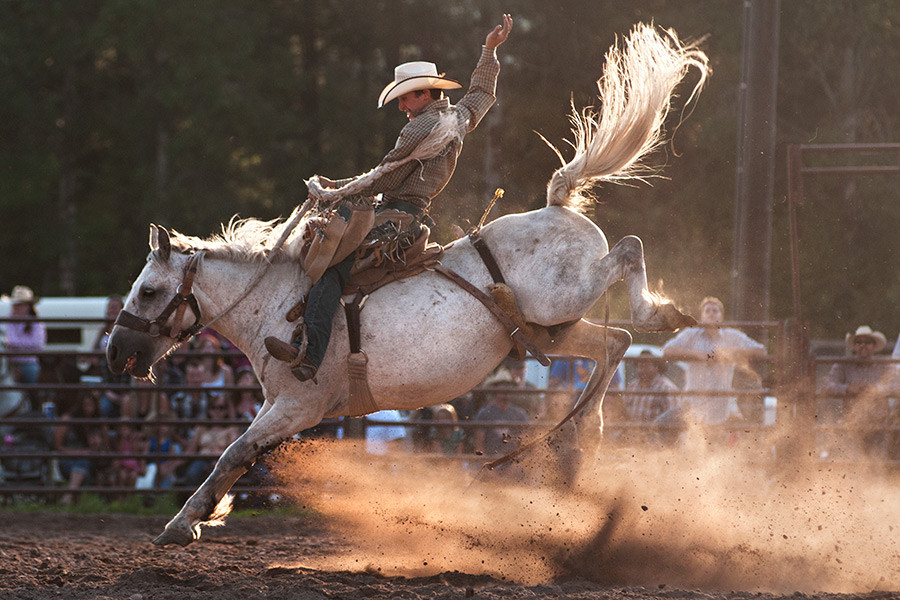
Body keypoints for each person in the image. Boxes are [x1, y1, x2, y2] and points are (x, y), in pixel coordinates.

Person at [265, 15, 514, 382]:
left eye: (405, 98)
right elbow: (481, 95)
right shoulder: (456, 118)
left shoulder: (420, 127)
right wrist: (489, 51)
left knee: (330, 270)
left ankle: (310, 356)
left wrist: (333, 190)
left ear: (425, 94)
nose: (401, 107)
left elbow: (385, 175)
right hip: (412, 216)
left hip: (396, 219)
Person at [660, 296, 766, 433]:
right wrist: (698, 355)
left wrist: (731, 352)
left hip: (721, 406)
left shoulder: (732, 336)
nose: (711, 313)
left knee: (719, 443)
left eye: (715, 311)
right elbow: (666, 351)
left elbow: (761, 351)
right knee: (661, 425)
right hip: (693, 403)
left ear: (721, 317)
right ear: (702, 317)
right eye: (707, 311)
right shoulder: (691, 334)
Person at [822, 325, 897, 459]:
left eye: (867, 342)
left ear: (873, 345)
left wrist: (876, 390)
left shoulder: (884, 364)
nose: (863, 345)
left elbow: (897, 384)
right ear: (854, 346)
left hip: (878, 422)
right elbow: (826, 384)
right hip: (852, 422)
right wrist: (847, 388)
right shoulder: (844, 364)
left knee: (875, 459)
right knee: (853, 459)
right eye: (859, 342)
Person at [473, 368, 530, 458]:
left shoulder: (520, 414)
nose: (505, 389)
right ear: (495, 389)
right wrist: (486, 463)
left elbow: (525, 442)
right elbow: (479, 445)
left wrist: (517, 462)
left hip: (513, 460)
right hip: (490, 459)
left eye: (507, 386)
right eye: (502, 386)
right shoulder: (485, 413)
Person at [2, 286, 46, 401]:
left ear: (27, 307)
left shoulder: (36, 323)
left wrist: (12, 344)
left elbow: (37, 344)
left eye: (19, 305)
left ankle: (33, 404)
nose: (15, 308)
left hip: (27, 363)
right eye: (15, 305)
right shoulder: (6, 321)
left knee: (31, 374)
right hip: (7, 362)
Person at [625, 349, 678, 422]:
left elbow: (672, 419)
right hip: (633, 431)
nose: (642, 370)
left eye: (646, 366)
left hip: (655, 432)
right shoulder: (632, 386)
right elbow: (624, 413)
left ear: (657, 367)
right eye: (640, 366)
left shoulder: (666, 388)